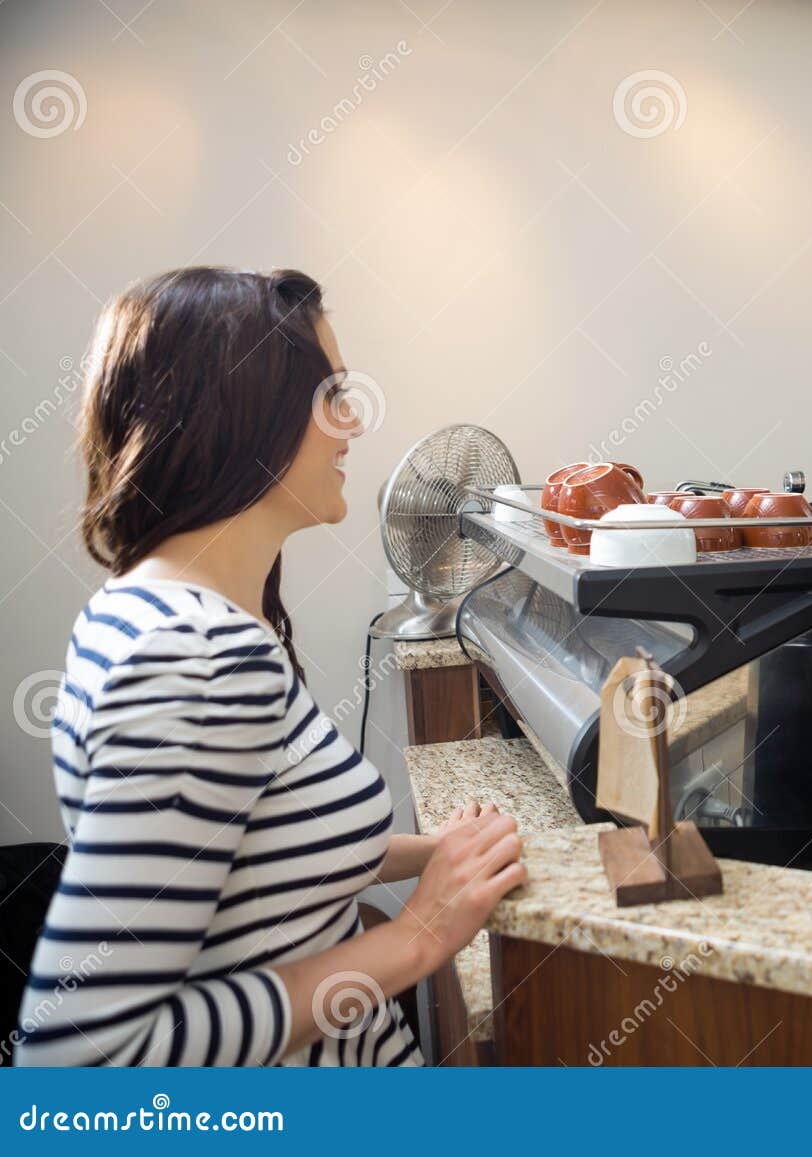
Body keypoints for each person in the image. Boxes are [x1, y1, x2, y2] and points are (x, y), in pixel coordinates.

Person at [17, 268, 526, 1066]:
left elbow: (249, 848)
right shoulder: (197, 658)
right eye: (331, 394)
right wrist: (422, 933)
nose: (352, 421)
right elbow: (83, 1055)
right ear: (239, 410)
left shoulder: (152, 608)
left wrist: (434, 858)